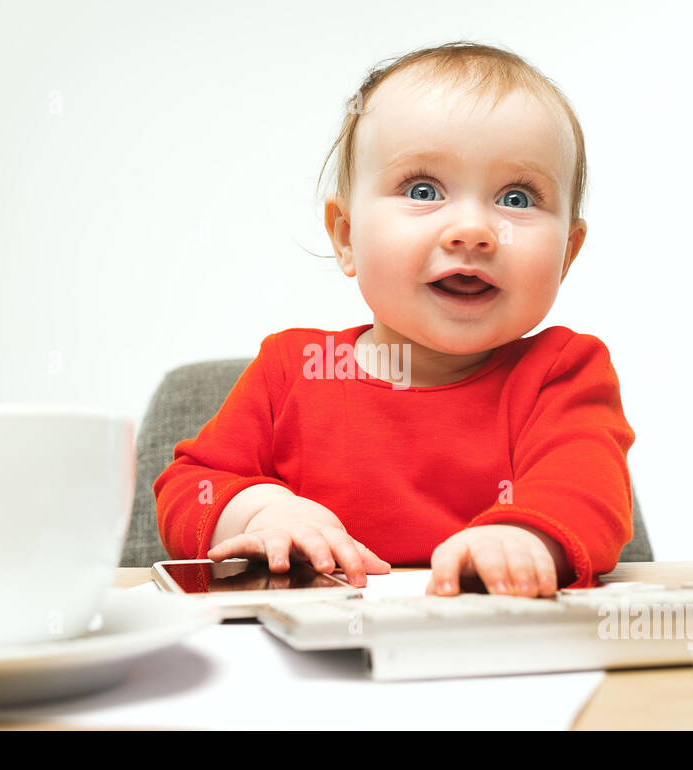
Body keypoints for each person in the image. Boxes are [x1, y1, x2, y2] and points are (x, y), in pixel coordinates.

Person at [153, 41, 635, 598]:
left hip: (497, 646)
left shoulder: (564, 372)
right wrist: (262, 514)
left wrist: (525, 537)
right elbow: (188, 488)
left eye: (517, 199)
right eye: (423, 190)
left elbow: (587, 489)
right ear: (347, 236)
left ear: (567, 254)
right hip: (318, 656)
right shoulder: (293, 370)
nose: (474, 230)